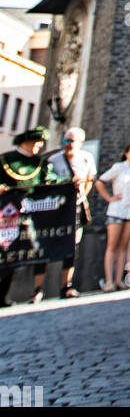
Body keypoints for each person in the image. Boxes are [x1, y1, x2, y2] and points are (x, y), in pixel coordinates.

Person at [0, 127, 59, 306]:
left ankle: (4, 295)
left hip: (30, 215)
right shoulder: (6, 160)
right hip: (7, 214)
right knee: (4, 252)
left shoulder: (40, 163)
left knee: (19, 254)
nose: (39, 146)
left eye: (40, 143)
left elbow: (51, 181)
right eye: (36, 142)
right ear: (26, 142)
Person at [47, 126, 96, 300]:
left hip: (75, 208)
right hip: (55, 209)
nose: (67, 144)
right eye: (65, 140)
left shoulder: (86, 158)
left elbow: (90, 179)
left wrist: (82, 195)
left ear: (80, 143)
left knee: (72, 246)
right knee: (47, 244)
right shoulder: (53, 159)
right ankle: (38, 289)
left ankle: (66, 286)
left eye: (71, 141)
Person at [95, 140, 130, 290]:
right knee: (112, 246)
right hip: (117, 210)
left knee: (124, 247)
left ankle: (119, 280)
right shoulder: (118, 167)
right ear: (126, 153)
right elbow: (100, 182)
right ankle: (109, 280)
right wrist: (109, 197)